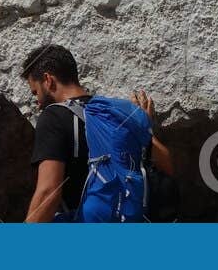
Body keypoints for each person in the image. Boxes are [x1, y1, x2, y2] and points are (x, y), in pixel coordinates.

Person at [21, 43, 175, 222]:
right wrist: (142, 125)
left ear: (48, 80)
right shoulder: (115, 113)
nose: (38, 102)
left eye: (36, 92)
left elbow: (49, 191)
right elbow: (168, 164)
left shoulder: (53, 116)